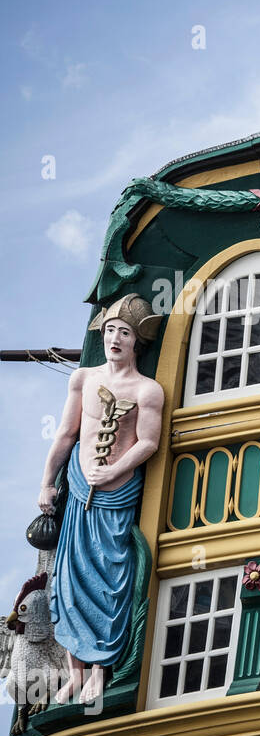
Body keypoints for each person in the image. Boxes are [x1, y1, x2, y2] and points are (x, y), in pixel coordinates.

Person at [37, 294, 164, 704]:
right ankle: (74, 671)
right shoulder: (85, 379)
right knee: (70, 579)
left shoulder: (147, 390)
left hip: (115, 493)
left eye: (123, 332)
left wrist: (113, 470)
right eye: (110, 330)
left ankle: (99, 669)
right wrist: (46, 482)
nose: (114, 338)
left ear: (136, 341)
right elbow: (66, 435)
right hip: (77, 489)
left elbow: (147, 442)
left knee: (109, 579)